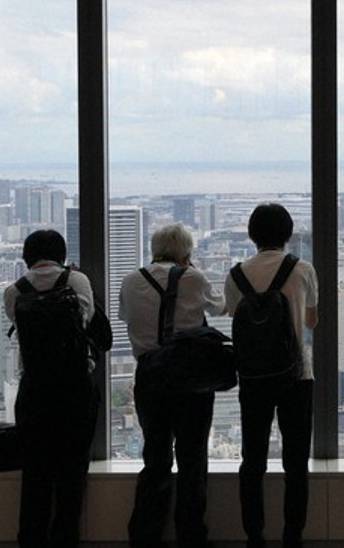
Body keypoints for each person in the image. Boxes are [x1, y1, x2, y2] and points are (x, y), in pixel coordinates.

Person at [121, 224, 224, 548]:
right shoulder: (192, 278)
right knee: (192, 459)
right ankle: (191, 535)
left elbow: (127, 317)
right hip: (190, 378)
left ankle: (145, 535)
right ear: (186, 252)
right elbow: (220, 307)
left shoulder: (131, 279)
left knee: (156, 456)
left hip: (149, 377)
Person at [224, 204, 318, 548]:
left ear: (251, 235)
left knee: (253, 461)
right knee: (296, 463)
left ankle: (255, 536)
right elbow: (311, 322)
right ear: (288, 234)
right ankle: (293, 536)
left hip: (253, 378)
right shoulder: (303, 269)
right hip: (297, 375)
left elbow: (241, 323)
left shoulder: (235, 276)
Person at [4, 230, 98, 548]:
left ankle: (30, 538)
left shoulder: (14, 291)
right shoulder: (77, 282)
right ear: (61, 253)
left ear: (27, 256)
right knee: (72, 469)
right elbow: (86, 319)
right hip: (74, 385)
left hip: (35, 388)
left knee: (36, 471)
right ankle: (65, 538)